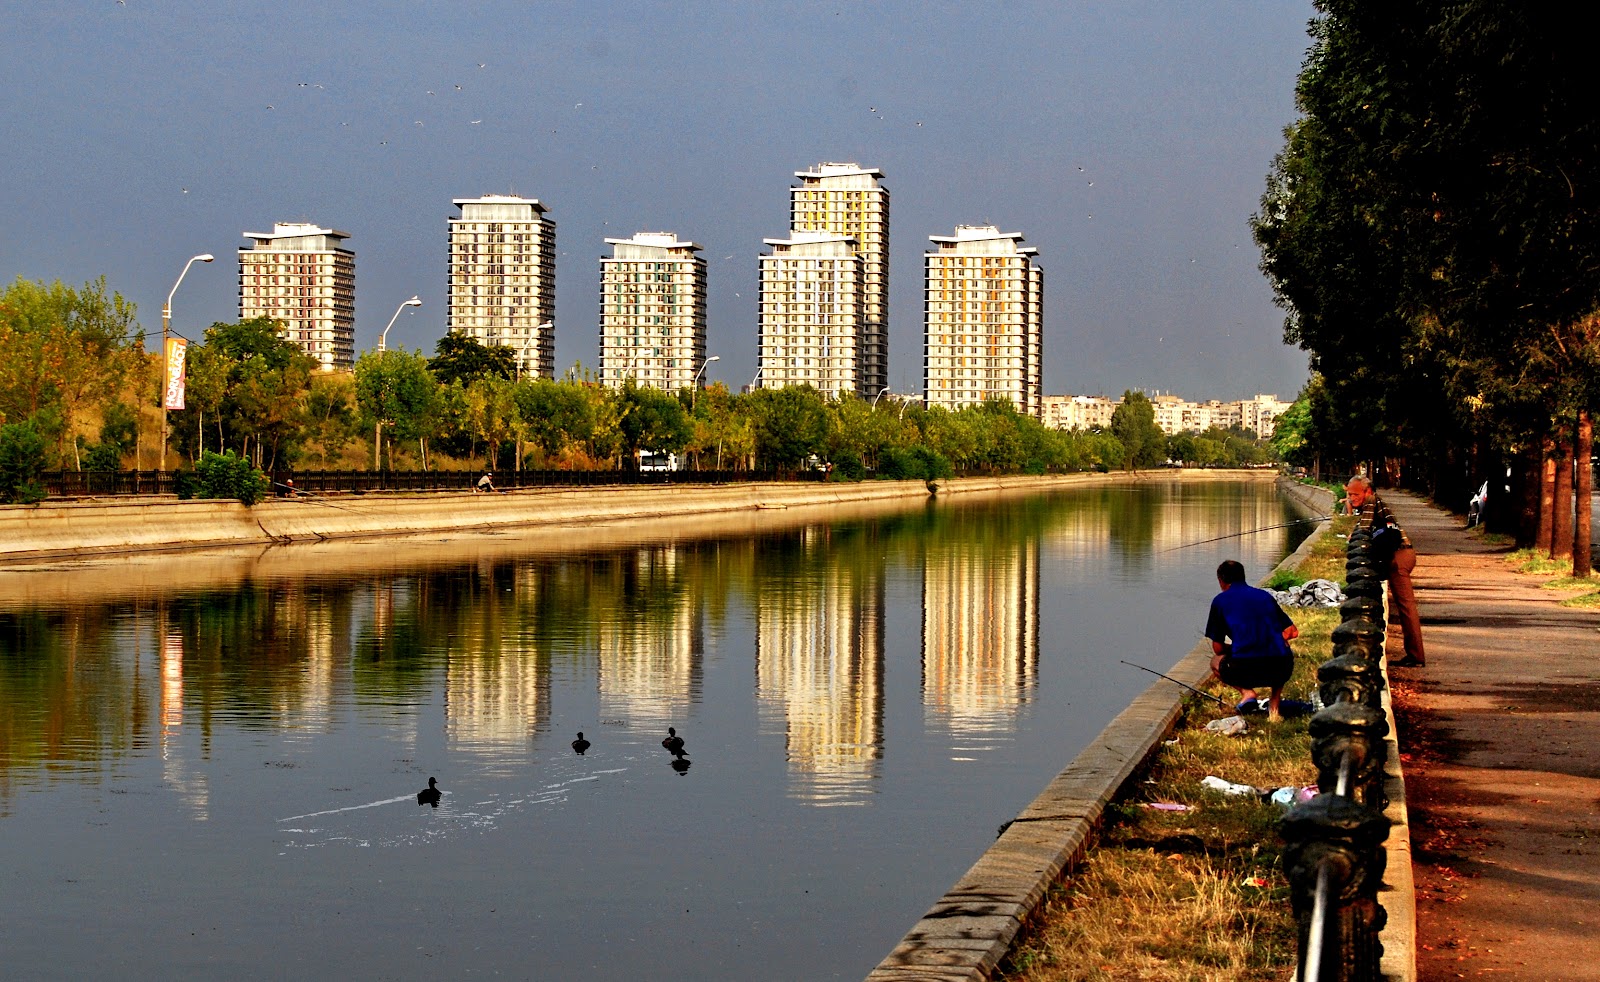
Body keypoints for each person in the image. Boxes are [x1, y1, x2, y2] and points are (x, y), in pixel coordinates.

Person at [1205, 559, 1300, 720]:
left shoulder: (1220, 602)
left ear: (1221, 581)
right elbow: (1292, 632)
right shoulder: (1264, 596)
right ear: (1243, 576)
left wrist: (1241, 647)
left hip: (1244, 669)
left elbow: (1218, 649)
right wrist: (1270, 640)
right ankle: (1274, 703)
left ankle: (1247, 693)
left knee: (1215, 661)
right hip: (1280, 669)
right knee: (1282, 649)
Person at [1370, 516, 1426, 666]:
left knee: (1407, 607)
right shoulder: (1381, 509)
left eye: (1354, 495)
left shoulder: (1371, 503)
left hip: (1399, 558)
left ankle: (1416, 656)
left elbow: (1364, 527)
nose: (1350, 499)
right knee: (1405, 607)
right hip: (1403, 555)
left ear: (1367, 491)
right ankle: (1414, 654)